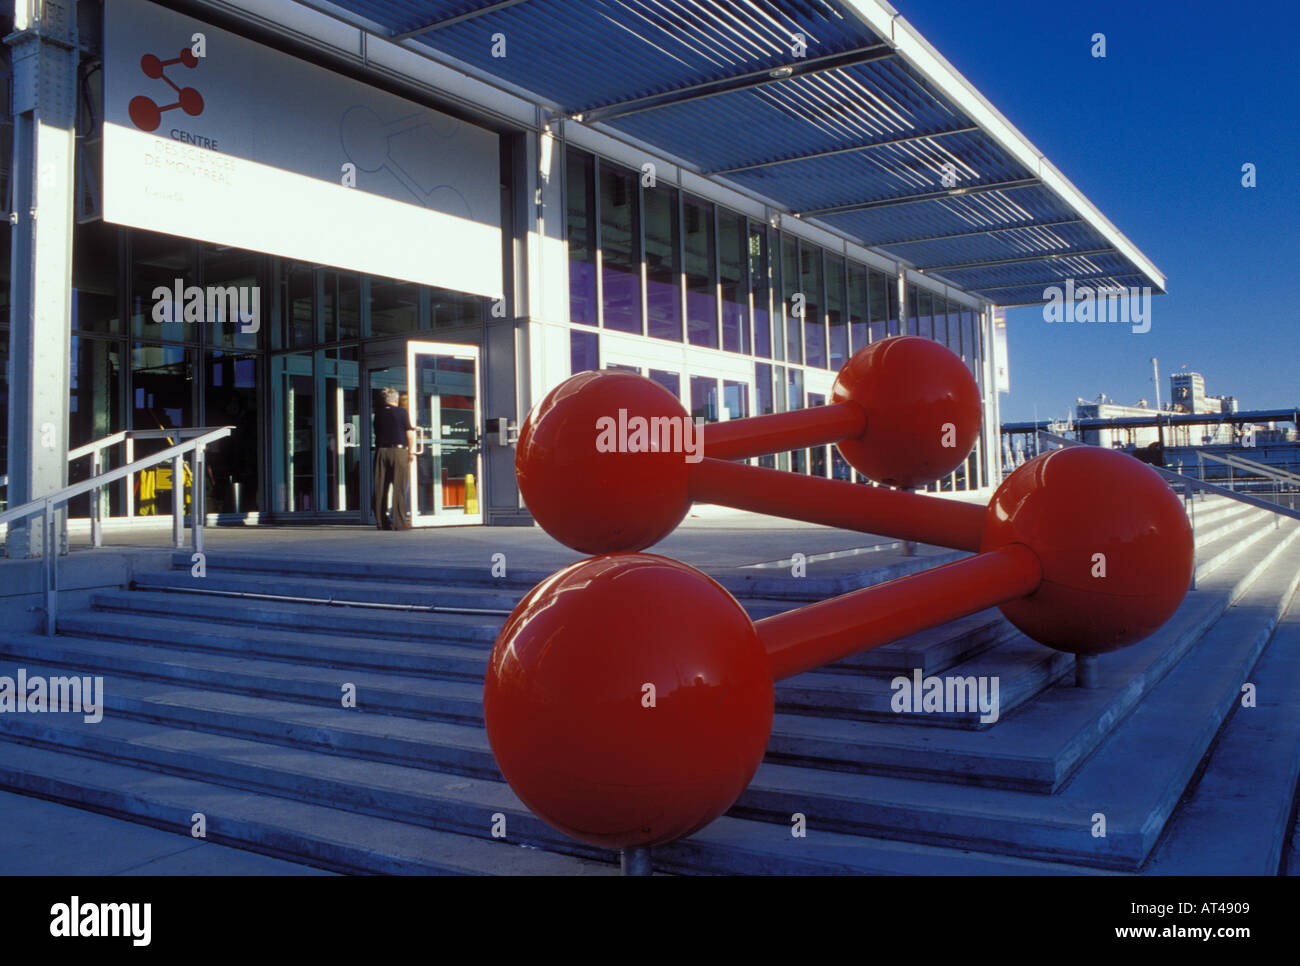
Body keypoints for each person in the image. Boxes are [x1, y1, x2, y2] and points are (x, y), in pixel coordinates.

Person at [373, 387, 415, 530]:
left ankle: (381, 522)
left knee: (380, 487)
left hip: (381, 451)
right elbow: (409, 433)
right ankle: (400, 521)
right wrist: (411, 451)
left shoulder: (378, 414)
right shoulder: (402, 412)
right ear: (396, 399)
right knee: (399, 487)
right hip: (398, 451)